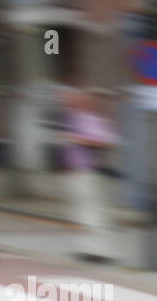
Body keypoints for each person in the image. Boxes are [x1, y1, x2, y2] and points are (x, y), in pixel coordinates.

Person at [62, 90, 118, 263]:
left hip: (89, 172)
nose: (70, 104)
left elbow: (107, 141)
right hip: (75, 172)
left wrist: (79, 139)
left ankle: (102, 252)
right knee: (81, 214)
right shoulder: (73, 119)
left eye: (75, 101)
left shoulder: (93, 120)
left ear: (86, 103)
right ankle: (86, 249)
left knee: (94, 214)